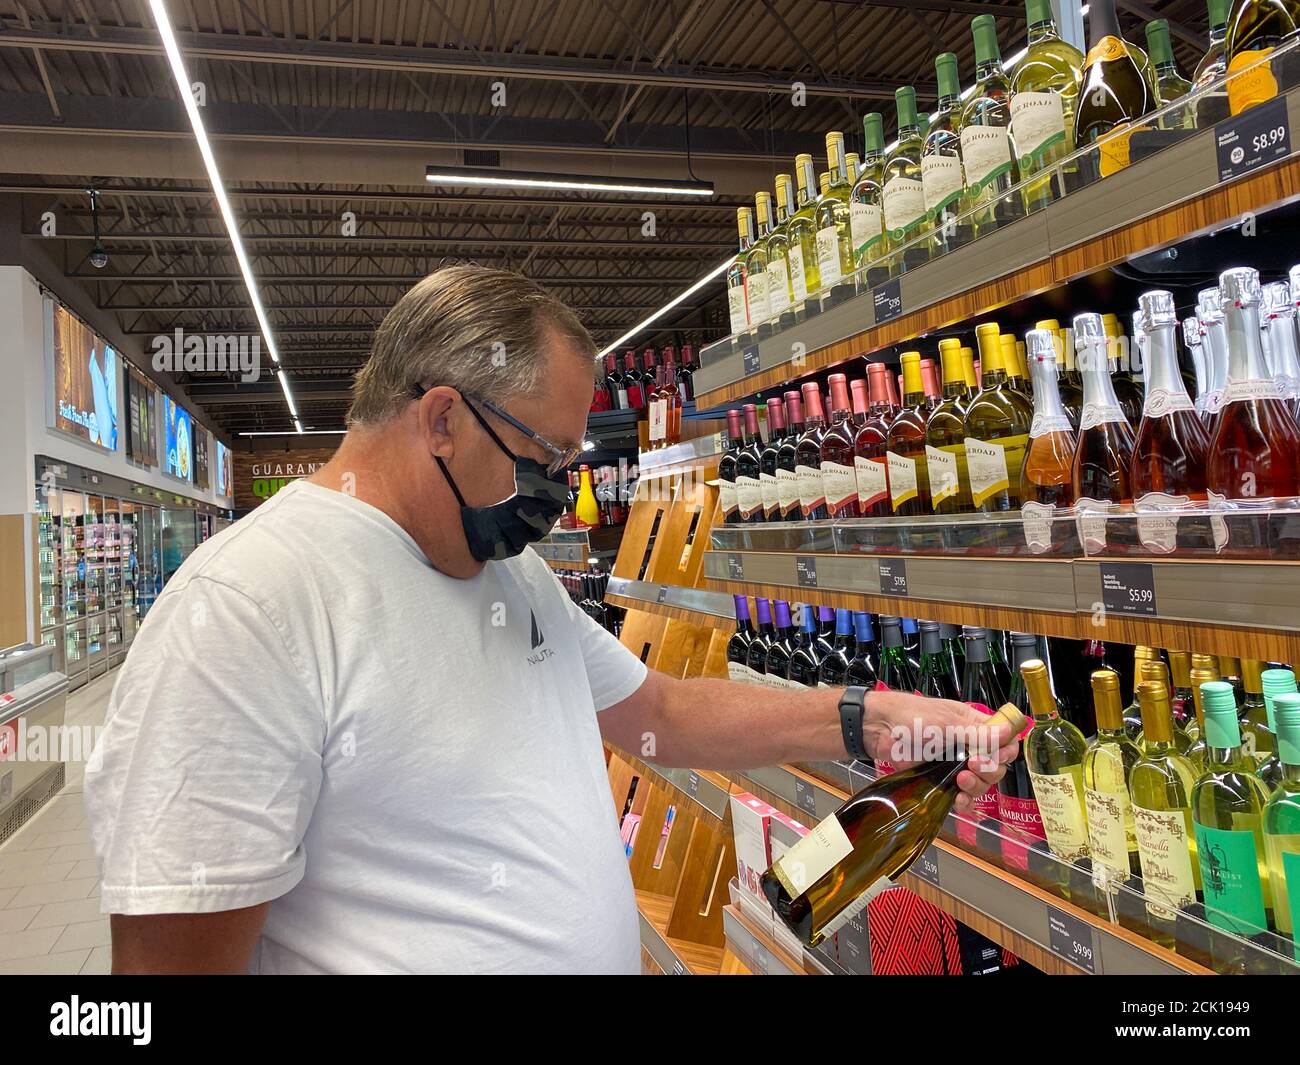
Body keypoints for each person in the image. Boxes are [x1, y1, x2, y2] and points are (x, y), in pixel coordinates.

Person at [84, 265, 1018, 974]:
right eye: (544, 456)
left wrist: (867, 716)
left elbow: (661, 712)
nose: (561, 497)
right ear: (441, 417)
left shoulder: (513, 576)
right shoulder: (248, 611)